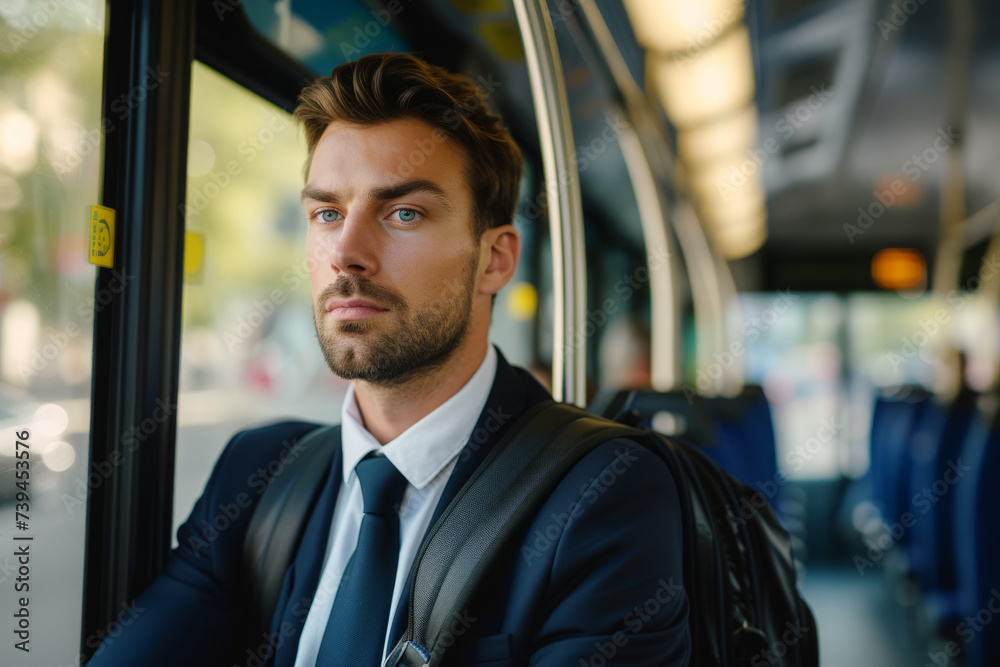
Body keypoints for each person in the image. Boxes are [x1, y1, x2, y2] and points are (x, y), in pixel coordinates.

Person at [89, 52, 689, 667]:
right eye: (327, 213)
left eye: (403, 213)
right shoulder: (258, 475)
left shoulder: (603, 495)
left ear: (495, 260)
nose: (347, 252)